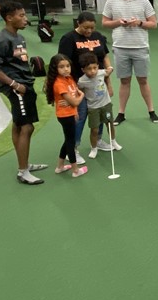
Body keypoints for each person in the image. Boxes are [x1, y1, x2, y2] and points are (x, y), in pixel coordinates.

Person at [0, 1, 47, 185]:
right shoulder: (3, 40)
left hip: (25, 84)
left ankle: (24, 164)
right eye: (21, 15)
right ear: (9, 18)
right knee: (27, 127)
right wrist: (14, 84)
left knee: (17, 126)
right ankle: (23, 172)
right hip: (17, 88)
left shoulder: (19, 37)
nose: (25, 19)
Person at [101, 0, 158, 124]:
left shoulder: (143, 1)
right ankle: (121, 113)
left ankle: (151, 111)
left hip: (140, 47)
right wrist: (118, 22)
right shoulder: (111, 0)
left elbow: (153, 24)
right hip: (120, 47)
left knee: (143, 80)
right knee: (124, 81)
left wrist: (139, 22)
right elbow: (105, 22)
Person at [57, 11, 113, 154]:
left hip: (98, 84)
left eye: (92, 28)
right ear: (78, 24)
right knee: (80, 116)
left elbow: (104, 56)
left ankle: (98, 140)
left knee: (99, 112)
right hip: (78, 86)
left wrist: (109, 79)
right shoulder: (68, 38)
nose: (89, 31)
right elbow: (63, 64)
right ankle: (73, 148)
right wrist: (68, 88)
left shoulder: (97, 36)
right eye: (85, 27)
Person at [44, 54, 87, 178]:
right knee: (70, 142)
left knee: (68, 139)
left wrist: (74, 110)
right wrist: (82, 96)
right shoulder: (59, 83)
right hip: (65, 116)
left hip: (71, 113)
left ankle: (60, 167)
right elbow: (76, 100)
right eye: (61, 67)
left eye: (68, 66)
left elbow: (73, 96)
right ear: (55, 68)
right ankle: (75, 170)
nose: (66, 69)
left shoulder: (69, 78)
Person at [76, 52, 121, 159]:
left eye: (95, 68)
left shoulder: (101, 73)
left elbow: (108, 72)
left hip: (106, 104)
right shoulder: (82, 81)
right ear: (83, 70)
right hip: (93, 108)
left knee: (110, 124)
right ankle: (94, 148)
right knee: (94, 129)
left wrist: (110, 68)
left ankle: (113, 141)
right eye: (89, 69)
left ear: (97, 66)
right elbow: (80, 92)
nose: (93, 71)